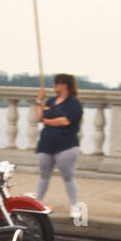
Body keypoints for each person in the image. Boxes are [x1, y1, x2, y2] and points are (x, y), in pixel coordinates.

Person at [33, 73, 83, 220]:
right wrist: (39, 101)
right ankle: (37, 203)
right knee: (44, 175)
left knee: (68, 176)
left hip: (66, 145)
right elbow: (39, 117)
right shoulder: (51, 101)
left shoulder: (73, 103)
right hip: (46, 143)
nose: (54, 86)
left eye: (57, 83)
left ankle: (75, 206)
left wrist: (47, 121)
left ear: (65, 85)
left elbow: (65, 121)